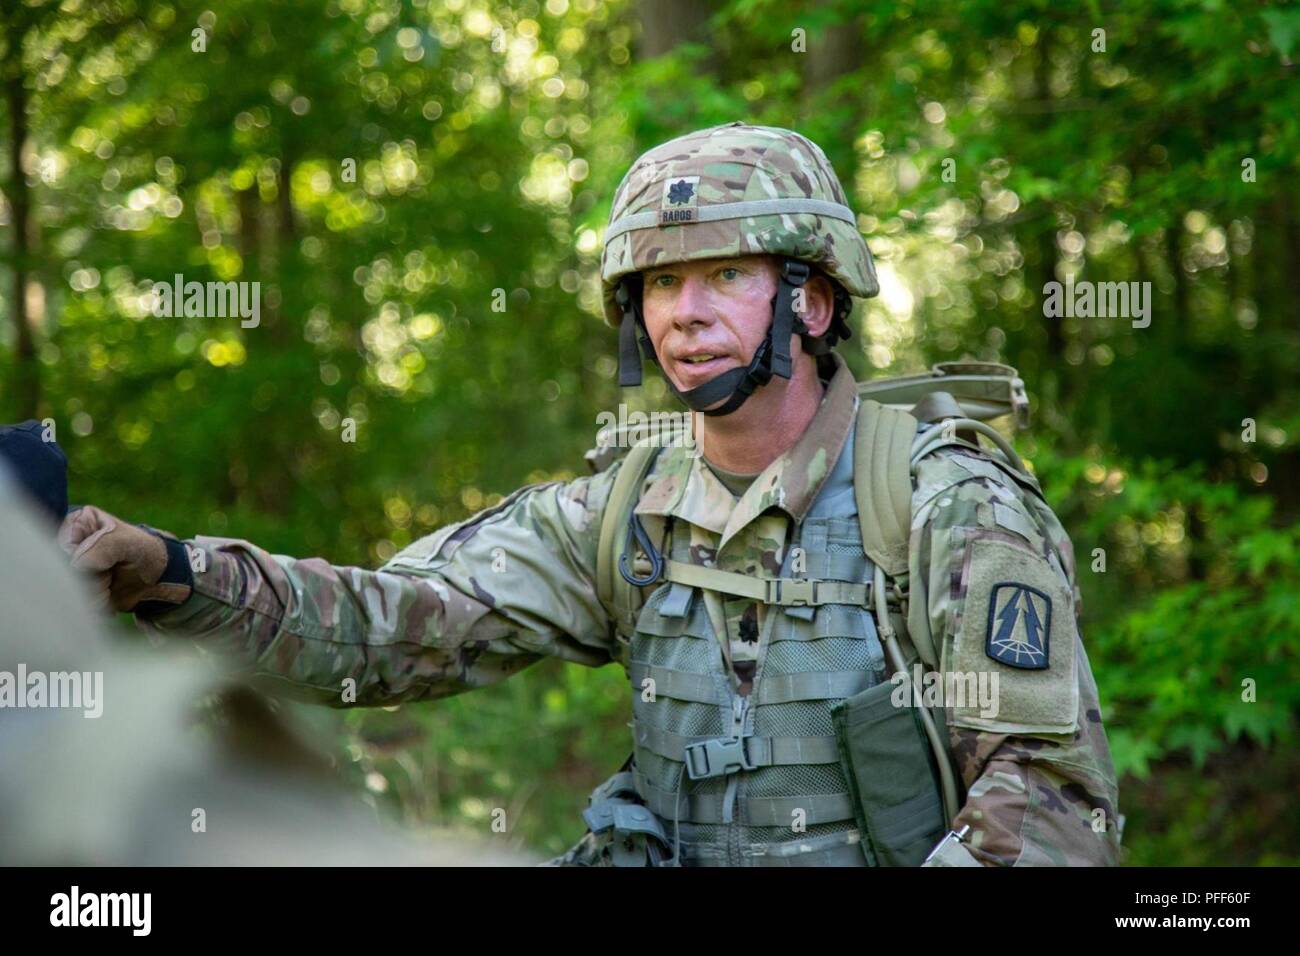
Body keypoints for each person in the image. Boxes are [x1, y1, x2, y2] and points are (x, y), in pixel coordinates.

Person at [59, 121, 1122, 867]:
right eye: (660, 282)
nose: (685, 312)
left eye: (725, 275)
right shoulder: (624, 511)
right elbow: (389, 627)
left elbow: (1049, 807)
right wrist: (174, 571)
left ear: (811, 299)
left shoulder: (943, 502)